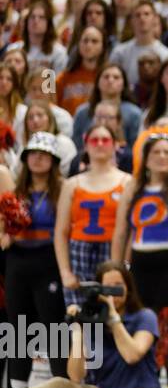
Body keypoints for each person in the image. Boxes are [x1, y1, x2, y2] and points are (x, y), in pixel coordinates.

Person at [0, 260, 159, 388]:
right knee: (59, 386)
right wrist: (78, 331)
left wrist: (113, 318)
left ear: (128, 289)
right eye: (106, 288)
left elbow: (132, 355)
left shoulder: (144, 316)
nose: (111, 294)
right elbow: (76, 376)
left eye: (117, 286)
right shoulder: (96, 322)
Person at [111, 131, 168, 349]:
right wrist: (116, 272)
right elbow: (120, 232)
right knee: (141, 323)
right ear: (145, 159)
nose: (162, 156)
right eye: (156, 152)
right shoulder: (132, 188)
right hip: (140, 264)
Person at [0, 134, 64, 386]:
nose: (38, 158)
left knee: (53, 326)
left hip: (49, 261)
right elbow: (3, 237)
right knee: (17, 327)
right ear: (25, 158)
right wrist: (11, 231)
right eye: (33, 153)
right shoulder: (14, 193)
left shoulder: (62, 191)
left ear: (53, 160)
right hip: (17, 261)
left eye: (44, 154)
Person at [54, 123, 131, 315]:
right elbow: (61, 232)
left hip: (112, 249)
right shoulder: (72, 184)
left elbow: (131, 230)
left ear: (115, 145)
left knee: (112, 314)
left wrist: (124, 265)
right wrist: (65, 272)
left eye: (105, 140)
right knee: (79, 317)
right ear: (85, 145)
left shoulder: (128, 181)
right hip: (79, 252)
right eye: (94, 140)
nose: (99, 144)